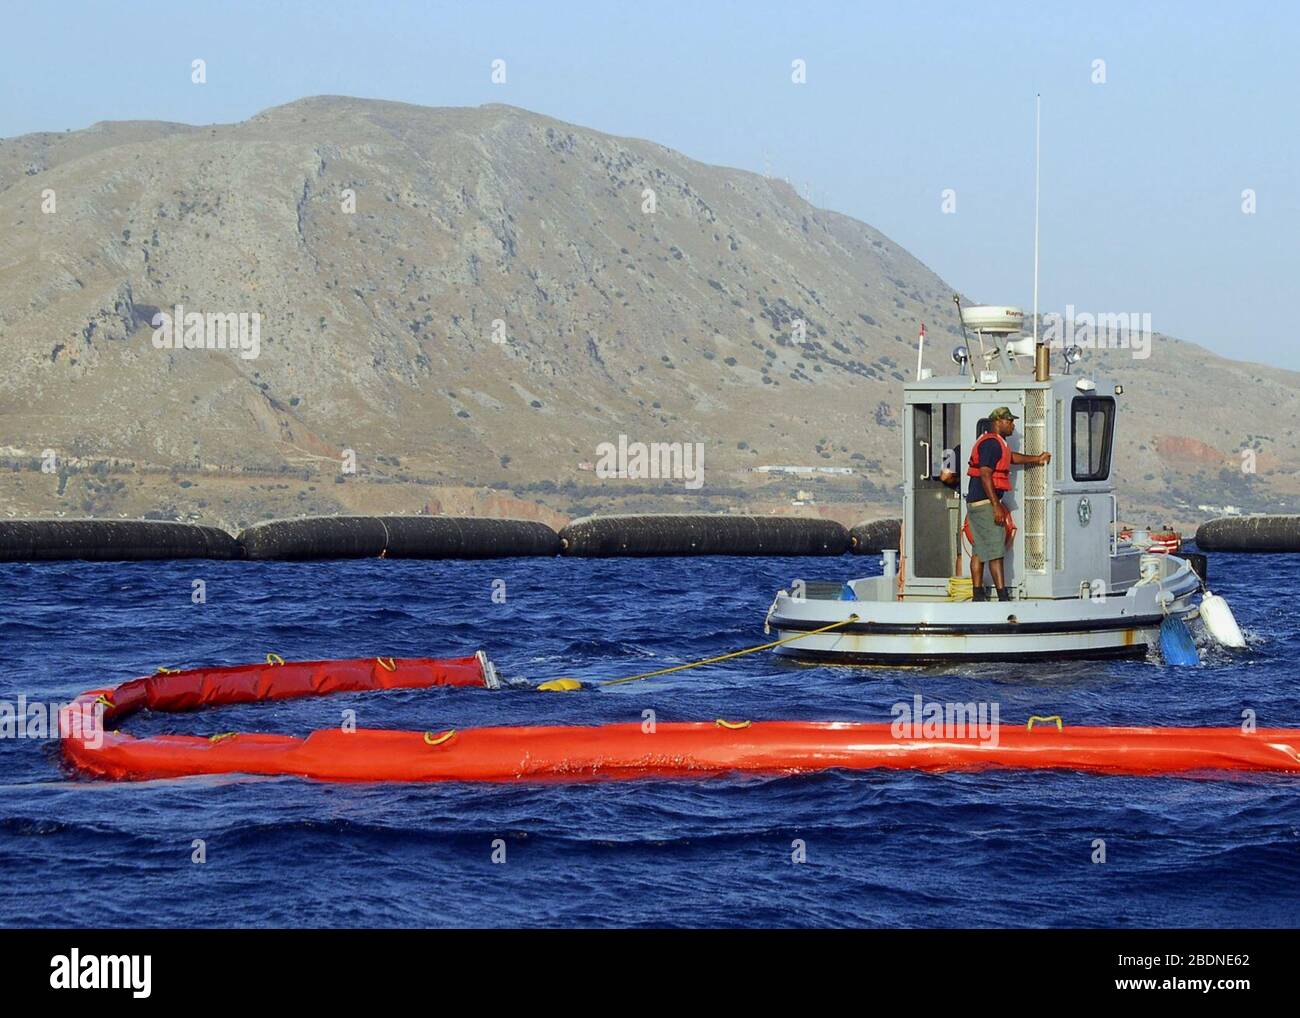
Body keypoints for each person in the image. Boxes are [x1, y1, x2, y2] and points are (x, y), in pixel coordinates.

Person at [966, 406, 1050, 601]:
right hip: (984, 503)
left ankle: (978, 595)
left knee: (979, 549)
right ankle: (1003, 597)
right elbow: (986, 474)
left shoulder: (999, 444)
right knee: (996, 548)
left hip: (978, 503)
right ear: (998, 422)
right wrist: (995, 505)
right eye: (1009, 421)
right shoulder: (991, 444)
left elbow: (1010, 458)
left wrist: (1036, 459)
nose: (1013, 425)